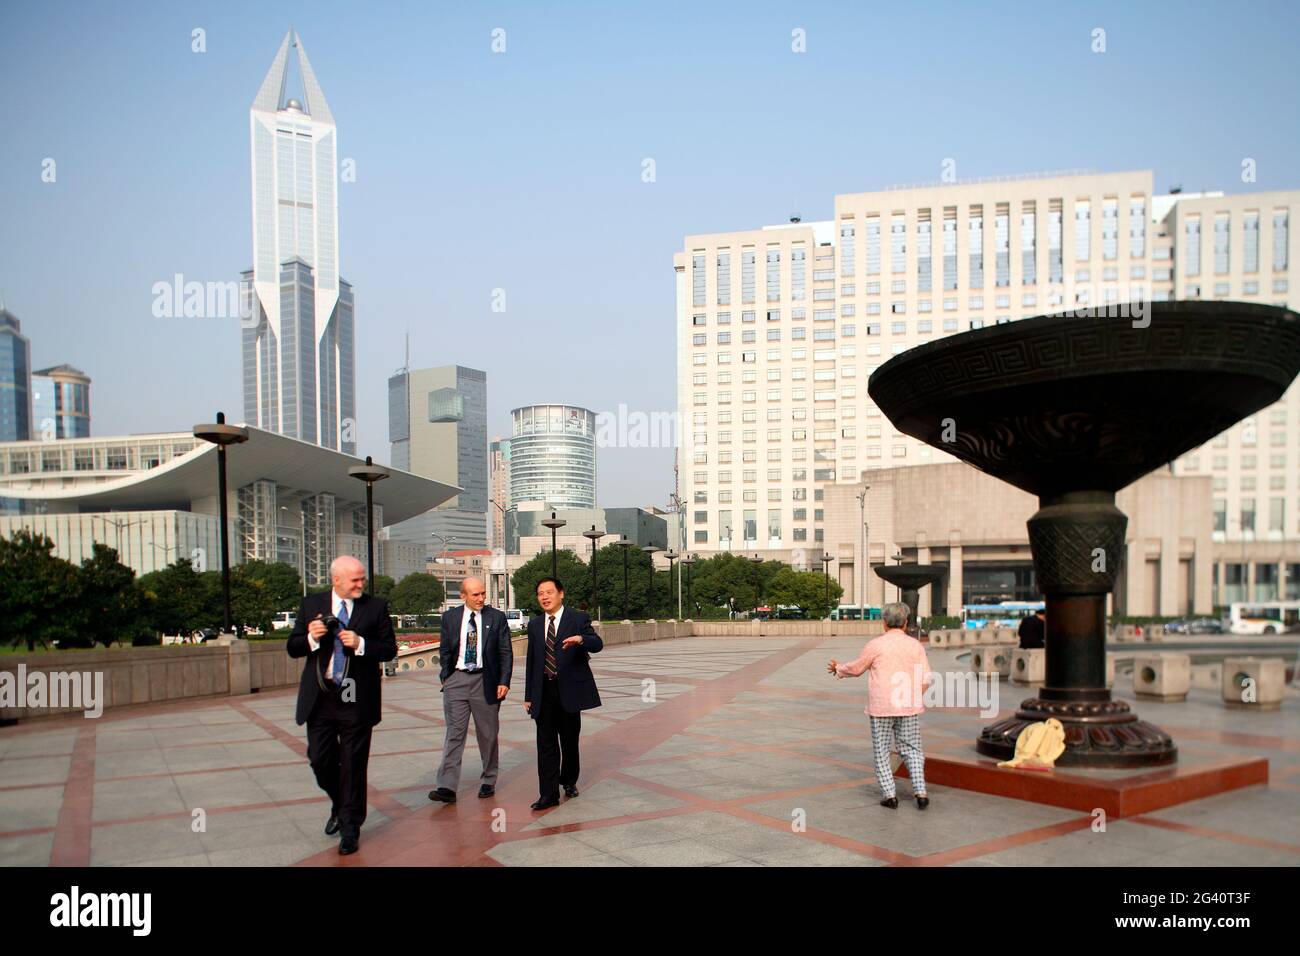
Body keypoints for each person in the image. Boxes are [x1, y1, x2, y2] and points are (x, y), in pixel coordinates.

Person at [287, 555, 397, 855]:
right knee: (320, 760)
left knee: (353, 765)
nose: (361, 584)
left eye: (362, 578)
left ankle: (350, 827)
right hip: (320, 698)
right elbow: (292, 647)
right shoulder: (312, 604)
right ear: (336, 580)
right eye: (355, 580)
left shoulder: (375, 607)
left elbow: (389, 649)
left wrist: (360, 644)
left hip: (356, 700)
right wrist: (311, 637)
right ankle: (338, 802)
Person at [828, 601, 933, 810]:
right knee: (912, 749)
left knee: (882, 750)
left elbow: (857, 668)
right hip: (908, 706)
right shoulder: (915, 646)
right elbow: (926, 677)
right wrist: (914, 697)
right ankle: (920, 792)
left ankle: (890, 795)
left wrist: (838, 668)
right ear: (905, 623)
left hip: (881, 707)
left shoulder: (876, 645)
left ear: (884, 623)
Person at [428, 576, 513, 803]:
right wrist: (446, 676)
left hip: (486, 681)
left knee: (488, 734)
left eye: (483, 593)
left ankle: (488, 780)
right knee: (454, 734)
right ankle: (447, 786)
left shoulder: (496, 618)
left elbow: (505, 652)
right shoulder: (450, 617)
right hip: (456, 680)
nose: (481, 598)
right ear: (463, 596)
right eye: (475, 594)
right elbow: (445, 648)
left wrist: (504, 681)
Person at [523, 577, 602, 811]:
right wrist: (529, 695)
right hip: (543, 690)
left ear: (561, 593)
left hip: (569, 690)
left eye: (549, 592)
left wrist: (581, 639)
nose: (544, 597)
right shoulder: (535, 625)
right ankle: (548, 794)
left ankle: (568, 781)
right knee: (545, 744)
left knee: (568, 742)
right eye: (540, 593)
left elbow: (597, 644)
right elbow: (532, 662)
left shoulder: (577, 618)